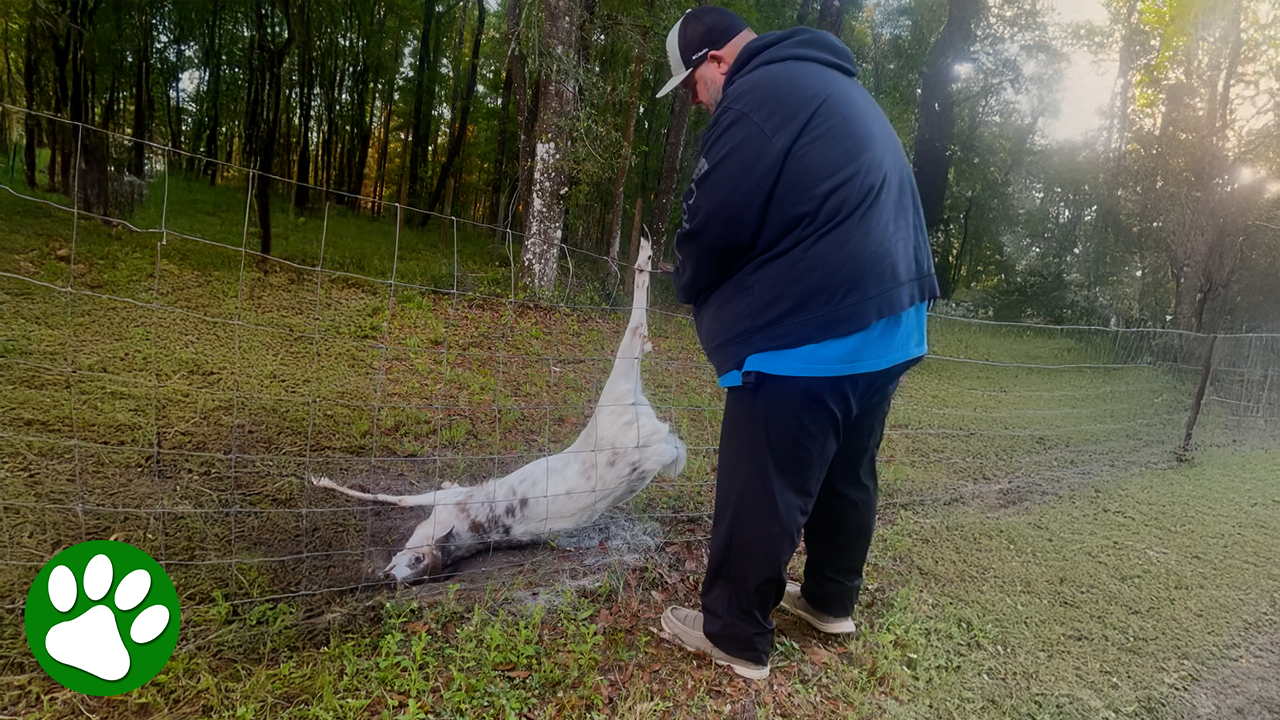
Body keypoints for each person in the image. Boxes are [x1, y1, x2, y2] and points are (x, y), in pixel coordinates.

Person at [653, 6, 941, 679]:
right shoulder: (828, 85)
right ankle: (828, 600)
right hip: (892, 317)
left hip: (815, 323)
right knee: (847, 469)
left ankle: (733, 632)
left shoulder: (757, 96)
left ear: (715, 61)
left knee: (765, 480)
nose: (696, 102)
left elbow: (716, 217)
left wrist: (687, 281)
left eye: (692, 86)